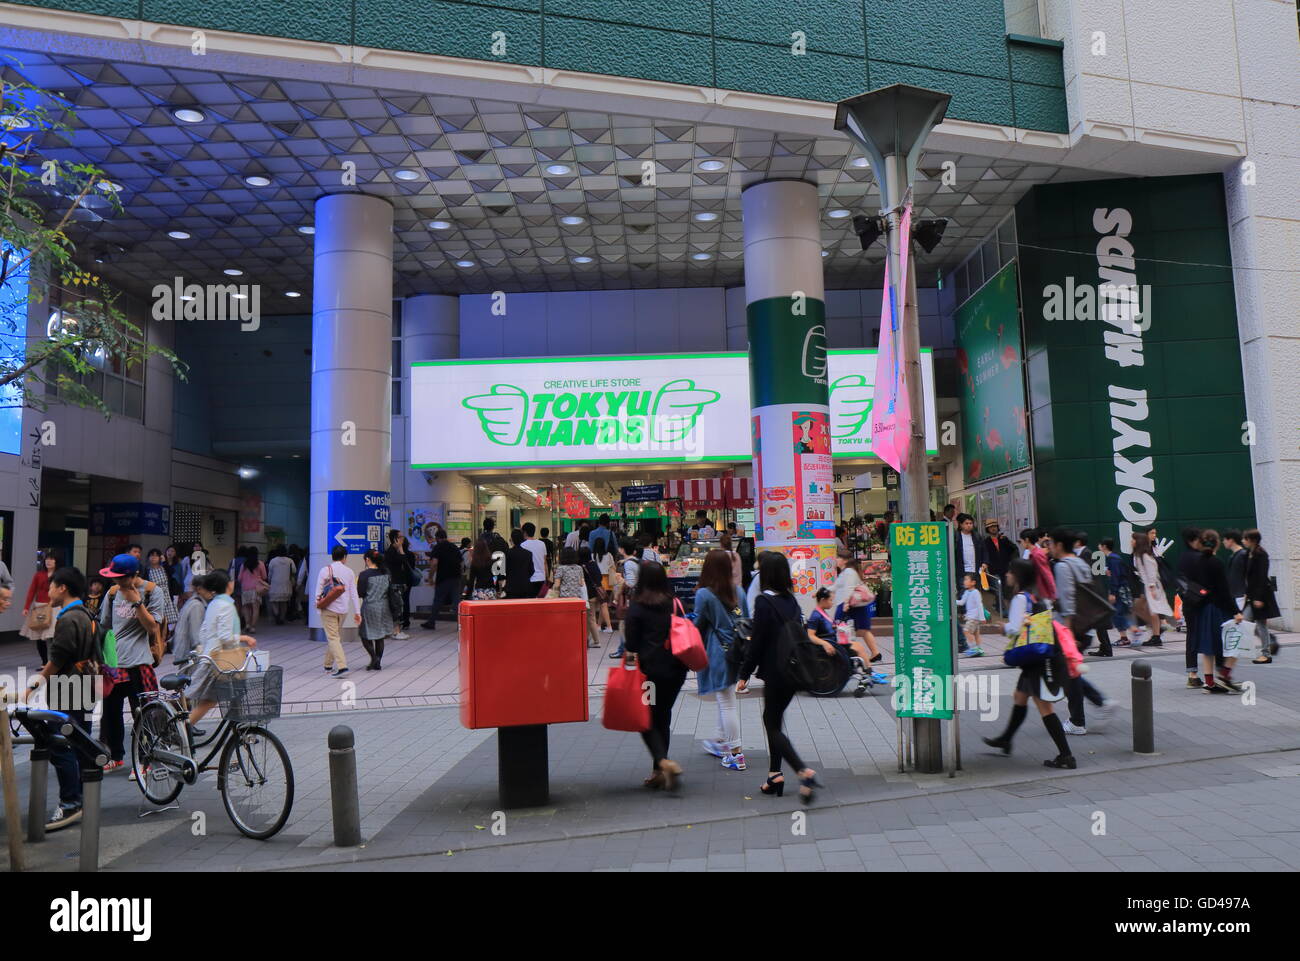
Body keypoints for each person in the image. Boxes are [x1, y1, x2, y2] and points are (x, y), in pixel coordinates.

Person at [737, 551, 823, 804]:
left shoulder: (764, 602)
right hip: (794, 670)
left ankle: (802, 771)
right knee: (775, 719)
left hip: (776, 672)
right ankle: (774, 775)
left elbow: (758, 643)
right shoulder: (791, 600)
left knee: (771, 724)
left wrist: (743, 673)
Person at [981, 558, 1077, 768]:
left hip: (1036, 659)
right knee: (1020, 697)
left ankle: (1066, 756)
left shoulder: (1020, 599)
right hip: (1041, 654)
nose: (1006, 575)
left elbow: (1015, 628)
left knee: (1045, 707)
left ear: (1017, 575)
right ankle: (1006, 739)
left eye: (1009, 572)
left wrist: (1002, 628)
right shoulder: (1037, 596)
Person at [24, 566, 98, 831]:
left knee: (62, 743)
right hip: (86, 685)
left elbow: (57, 659)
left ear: (63, 588)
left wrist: (33, 686)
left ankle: (69, 803)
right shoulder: (87, 613)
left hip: (68, 686)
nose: (49, 591)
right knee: (80, 743)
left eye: (52, 586)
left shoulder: (68, 618)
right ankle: (83, 799)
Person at [97, 553, 167, 773]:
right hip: (114, 664)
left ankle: (146, 759)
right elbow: (105, 625)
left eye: (121, 577)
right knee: (110, 713)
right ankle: (116, 756)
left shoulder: (152, 591)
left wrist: (136, 601)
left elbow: (153, 628)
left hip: (140, 663)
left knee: (144, 712)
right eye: (114, 577)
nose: (117, 581)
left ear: (134, 575)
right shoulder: (111, 593)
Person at [621, 560, 686, 790]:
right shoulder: (675, 602)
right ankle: (659, 771)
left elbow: (631, 644)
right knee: (663, 716)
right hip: (677, 670)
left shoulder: (637, 608)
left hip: (652, 673)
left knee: (646, 719)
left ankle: (662, 762)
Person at [1047, 528, 1112, 734]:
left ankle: (1078, 721)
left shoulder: (1063, 567)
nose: (1049, 547)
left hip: (1071, 629)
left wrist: (1069, 635)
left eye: (1050, 544)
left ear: (1058, 545)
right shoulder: (1079, 562)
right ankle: (1100, 703)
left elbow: (1068, 603)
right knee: (1069, 673)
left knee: (1069, 675)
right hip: (1085, 626)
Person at [693, 550, 749, 770]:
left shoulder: (704, 594)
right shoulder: (740, 592)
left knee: (727, 703)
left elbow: (697, 626)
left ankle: (736, 754)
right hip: (739, 651)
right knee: (725, 698)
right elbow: (745, 621)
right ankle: (720, 740)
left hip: (718, 653)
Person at [186, 571, 256, 728]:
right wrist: (245, 638)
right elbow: (225, 637)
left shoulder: (214, 604)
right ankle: (182, 727)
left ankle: (240, 730)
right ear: (228, 585)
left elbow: (204, 631)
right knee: (210, 699)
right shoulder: (226, 606)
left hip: (212, 656)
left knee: (221, 696)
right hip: (220, 660)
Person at [1187, 529, 1244, 693]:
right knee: (1235, 641)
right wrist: (1236, 611)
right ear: (1217, 543)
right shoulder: (1216, 562)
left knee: (1208, 646)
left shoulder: (1195, 562)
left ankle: (1209, 683)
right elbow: (1224, 591)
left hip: (1201, 609)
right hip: (1219, 608)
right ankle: (1225, 675)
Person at [315, 545, 362, 677]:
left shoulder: (325, 570)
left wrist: (318, 608)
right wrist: (357, 612)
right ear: (345, 557)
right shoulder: (349, 572)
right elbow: (354, 593)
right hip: (343, 610)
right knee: (335, 637)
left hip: (328, 608)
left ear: (333, 556)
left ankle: (342, 666)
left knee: (333, 637)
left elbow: (318, 591)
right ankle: (328, 665)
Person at [830, 550, 882, 661]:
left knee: (842, 628)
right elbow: (835, 587)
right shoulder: (845, 572)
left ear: (845, 561)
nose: (836, 560)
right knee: (862, 630)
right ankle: (874, 653)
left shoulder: (849, 572)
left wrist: (845, 603)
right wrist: (822, 591)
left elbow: (849, 588)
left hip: (850, 605)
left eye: (838, 558)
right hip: (854, 605)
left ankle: (849, 655)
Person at [1242, 528, 1280, 664]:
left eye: (1245, 539)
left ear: (1251, 540)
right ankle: (1269, 643)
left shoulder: (1261, 554)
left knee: (1259, 624)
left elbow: (1262, 577)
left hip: (1260, 596)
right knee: (1247, 621)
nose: (1243, 541)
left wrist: (1258, 597)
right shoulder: (1250, 553)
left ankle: (1266, 653)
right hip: (1252, 595)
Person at [1130, 530, 1169, 648]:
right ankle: (1156, 630)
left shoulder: (1144, 555)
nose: (1131, 541)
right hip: (1147, 585)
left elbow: (1152, 571)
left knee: (1151, 611)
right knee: (1138, 607)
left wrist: (1151, 587)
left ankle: (1156, 635)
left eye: (1133, 539)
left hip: (1152, 586)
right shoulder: (1138, 554)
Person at [1175, 527, 1204, 684]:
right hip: (1204, 603)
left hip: (1189, 602)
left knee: (1191, 635)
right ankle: (1214, 674)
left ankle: (1192, 673)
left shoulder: (1182, 557)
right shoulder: (1201, 557)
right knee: (1209, 635)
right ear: (1194, 540)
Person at [357, 550, 395, 671]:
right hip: (384, 606)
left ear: (367, 560)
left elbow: (361, 593)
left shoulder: (364, 575)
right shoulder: (386, 573)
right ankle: (377, 661)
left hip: (369, 606)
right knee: (379, 636)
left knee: (364, 634)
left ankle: (374, 658)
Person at [21, 551, 59, 665]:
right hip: (39, 607)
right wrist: (26, 607)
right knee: (39, 636)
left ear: (56, 561)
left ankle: (54, 663)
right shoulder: (39, 575)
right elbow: (32, 591)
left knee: (54, 635)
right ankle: (44, 662)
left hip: (55, 607)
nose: (48, 561)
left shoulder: (60, 575)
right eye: (47, 559)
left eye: (51, 559)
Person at [422, 528, 465, 627]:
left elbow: (434, 564)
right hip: (456, 577)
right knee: (456, 602)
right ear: (445, 537)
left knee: (437, 600)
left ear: (437, 538)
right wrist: (459, 574)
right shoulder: (454, 547)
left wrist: (430, 577)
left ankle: (431, 622)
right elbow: (461, 563)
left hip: (443, 578)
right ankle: (461, 624)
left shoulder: (438, 547)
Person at [1098, 538, 1133, 646]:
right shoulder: (1113, 558)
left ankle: (1130, 633)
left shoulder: (1113, 559)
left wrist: (1112, 592)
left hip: (1119, 590)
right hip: (1121, 588)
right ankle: (1126, 635)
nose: (1099, 547)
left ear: (1104, 546)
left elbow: (1116, 577)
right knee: (1118, 612)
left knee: (1117, 613)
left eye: (1100, 545)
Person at [384, 530, 415, 639]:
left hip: (399, 582)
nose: (403, 539)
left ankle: (396, 630)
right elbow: (403, 560)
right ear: (395, 539)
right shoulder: (391, 552)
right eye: (400, 537)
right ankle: (396, 631)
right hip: (394, 583)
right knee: (397, 607)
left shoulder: (395, 551)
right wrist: (401, 549)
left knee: (399, 606)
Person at [144, 548, 180, 631]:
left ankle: (166, 640)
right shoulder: (147, 570)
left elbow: (172, 572)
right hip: (154, 599)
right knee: (156, 621)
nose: (154, 557)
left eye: (156, 555)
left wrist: (164, 562)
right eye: (151, 555)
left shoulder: (164, 568)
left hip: (167, 597)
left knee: (168, 622)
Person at [235, 546, 267, 634]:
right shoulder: (260, 564)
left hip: (245, 588)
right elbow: (264, 576)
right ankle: (252, 627)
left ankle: (247, 624)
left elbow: (239, 578)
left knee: (245, 607)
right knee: (255, 608)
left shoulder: (244, 565)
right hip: (256, 589)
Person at [959, 572, 986, 657]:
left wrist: (982, 617)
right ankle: (979, 649)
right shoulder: (967, 592)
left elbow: (979, 605)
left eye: (967, 579)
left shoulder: (976, 592)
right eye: (964, 580)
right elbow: (962, 602)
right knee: (976, 634)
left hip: (974, 617)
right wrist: (952, 600)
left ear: (973, 582)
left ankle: (974, 649)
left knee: (966, 631)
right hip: (971, 617)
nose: (964, 581)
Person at [266, 547, 296, 624]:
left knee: (274, 601)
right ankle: (282, 617)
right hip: (286, 584)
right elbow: (294, 571)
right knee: (284, 602)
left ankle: (276, 614)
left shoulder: (273, 561)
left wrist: (269, 581)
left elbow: (270, 574)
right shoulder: (290, 561)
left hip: (275, 584)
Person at [504, 529, 536, 599]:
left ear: (511, 539)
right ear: (522, 539)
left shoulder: (507, 553)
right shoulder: (528, 554)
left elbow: (504, 570)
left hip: (511, 587)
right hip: (525, 587)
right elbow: (532, 570)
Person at [521, 522, 548, 597]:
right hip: (541, 578)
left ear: (525, 532)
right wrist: (547, 577)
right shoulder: (542, 544)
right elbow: (545, 562)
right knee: (541, 604)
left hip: (530, 579)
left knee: (530, 604)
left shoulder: (523, 545)